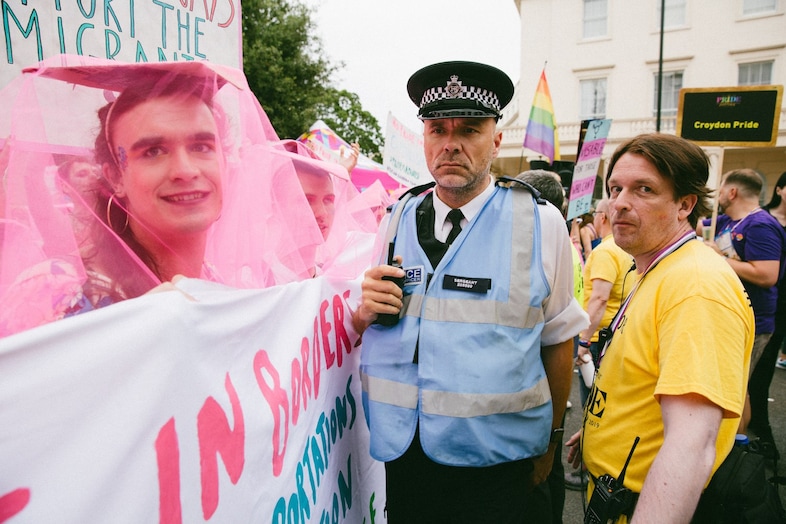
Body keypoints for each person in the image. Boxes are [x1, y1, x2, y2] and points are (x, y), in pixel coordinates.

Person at [351, 60, 588, 523]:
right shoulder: (396, 218)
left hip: (500, 467)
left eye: (470, 129)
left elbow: (559, 340)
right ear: (424, 138)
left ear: (496, 140)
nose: (451, 144)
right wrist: (365, 312)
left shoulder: (541, 222)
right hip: (407, 458)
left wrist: (552, 442)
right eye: (437, 129)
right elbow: (374, 323)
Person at [0, 56, 332, 336]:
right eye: (154, 151)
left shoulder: (228, 286)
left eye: (201, 146)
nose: (185, 170)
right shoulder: (55, 289)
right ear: (115, 176)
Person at [567, 133, 755, 522]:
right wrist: (601, 429)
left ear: (685, 204)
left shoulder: (695, 286)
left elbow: (692, 444)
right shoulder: (657, 268)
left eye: (644, 189)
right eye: (615, 188)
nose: (619, 203)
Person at [700, 168, 786, 435]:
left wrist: (719, 258)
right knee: (729, 386)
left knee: (734, 391)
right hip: (729, 316)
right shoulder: (726, 220)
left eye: (721, 189)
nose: (719, 195)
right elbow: (697, 226)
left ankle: (735, 447)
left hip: (752, 321)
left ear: (732, 192)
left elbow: (767, 274)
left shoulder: (760, 225)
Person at [565, 198, 636, 491]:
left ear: (603, 217)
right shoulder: (624, 250)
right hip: (613, 334)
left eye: (595, 213)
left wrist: (583, 341)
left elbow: (599, 298)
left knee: (593, 407)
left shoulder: (606, 251)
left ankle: (589, 470)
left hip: (597, 339)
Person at [748, 170, 786, 459]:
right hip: (769, 305)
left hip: (777, 306)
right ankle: (761, 436)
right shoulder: (762, 220)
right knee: (757, 376)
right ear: (780, 189)